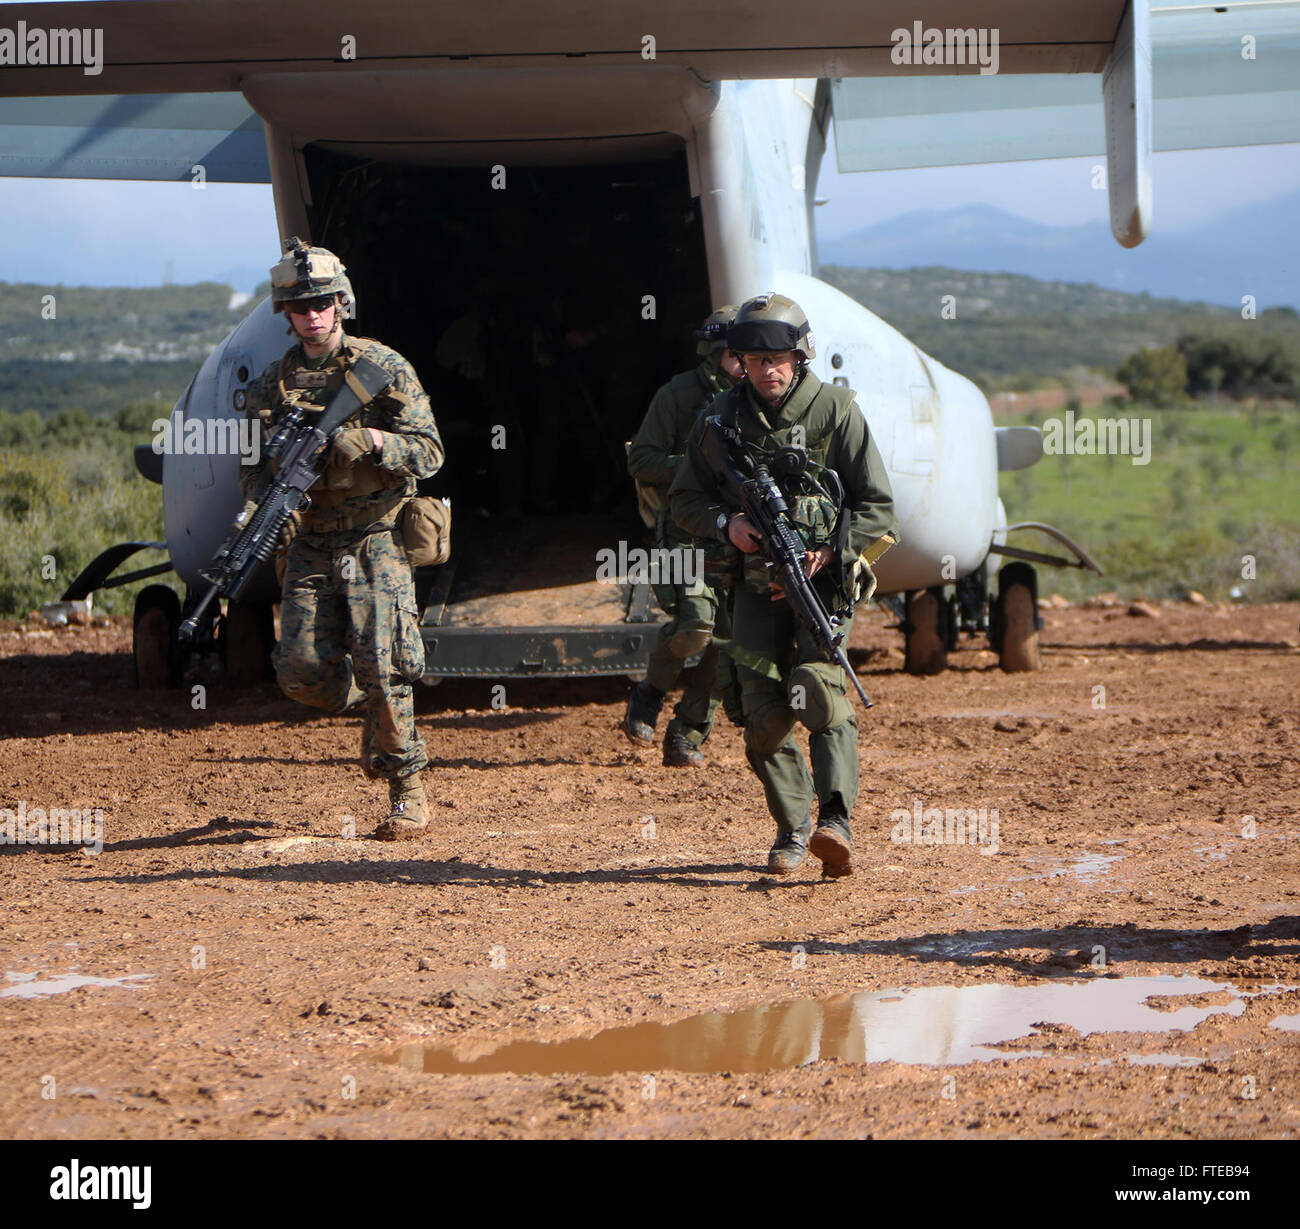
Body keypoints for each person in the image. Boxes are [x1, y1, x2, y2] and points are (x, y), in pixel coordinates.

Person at [669, 293, 897, 876]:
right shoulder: (718, 420)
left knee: (818, 689)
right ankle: (793, 829)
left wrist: (831, 551)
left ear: (800, 357)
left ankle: (836, 822)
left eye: (779, 359)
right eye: (753, 359)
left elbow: (878, 507)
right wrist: (729, 523)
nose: (768, 370)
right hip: (750, 590)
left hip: (821, 590)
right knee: (760, 711)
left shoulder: (836, 412)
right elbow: (684, 501)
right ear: (736, 361)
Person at [241, 237, 444, 841]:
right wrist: (263, 507)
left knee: (388, 665)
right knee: (300, 673)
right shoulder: (268, 389)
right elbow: (252, 470)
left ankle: (406, 786)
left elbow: (430, 452)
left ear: (341, 302)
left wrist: (378, 444)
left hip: (375, 536)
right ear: (286, 312)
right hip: (310, 543)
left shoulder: (380, 368)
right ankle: (369, 700)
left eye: (322, 302)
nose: (312, 314)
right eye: (300, 305)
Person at [624, 307, 744, 765]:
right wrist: (696, 467)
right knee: (696, 626)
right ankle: (651, 692)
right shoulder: (679, 394)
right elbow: (642, 461)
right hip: (686, 530)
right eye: (738, 353)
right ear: (716, 353)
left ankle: (687, 733)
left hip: (743, 534)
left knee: (730, 643)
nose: (749, 363)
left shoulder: (760, 400)